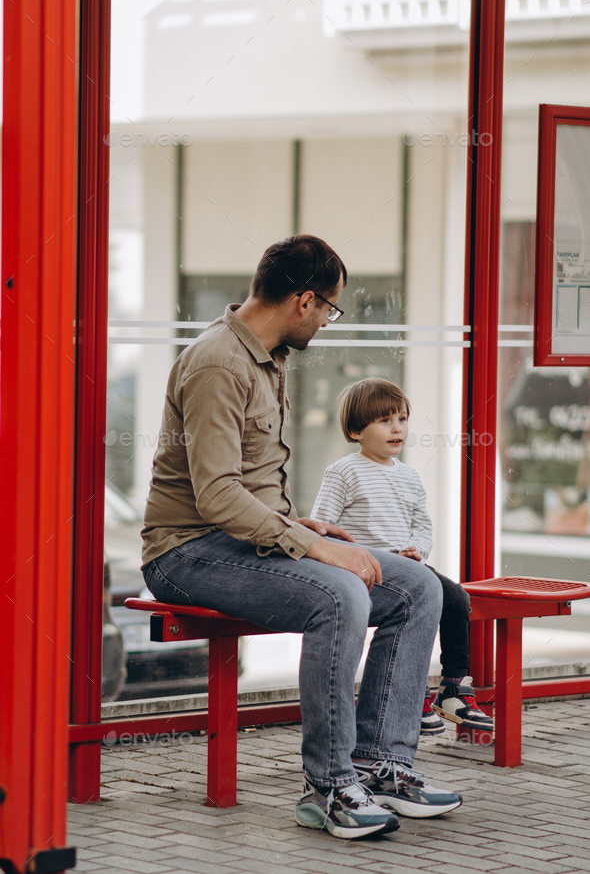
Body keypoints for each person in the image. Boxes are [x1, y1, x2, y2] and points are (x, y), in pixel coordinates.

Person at [141, 235, 462, 840]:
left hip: (242, 540)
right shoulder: (218, 362)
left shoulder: (267, 357)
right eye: (331, 308)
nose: (329, 321)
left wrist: (299, 523)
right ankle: (330, 788)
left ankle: (383, 766)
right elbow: (215, 497)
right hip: (187, 550)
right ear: (304, 300)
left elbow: (246, 487)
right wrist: (318, 547)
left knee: (419, 587)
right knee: (340, 595)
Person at [311, 377, 493, 737]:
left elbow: (422, 527)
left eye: (402, 419)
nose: (397, 428)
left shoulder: (410, 477)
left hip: (409, 571)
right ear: (355, 430)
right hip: (365, 575)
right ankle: (408, 695)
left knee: (454, 597)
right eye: (384, 421)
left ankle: (453, 687)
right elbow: (322, 527)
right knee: (403, 617)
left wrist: (417, 549)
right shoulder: (343, 472)